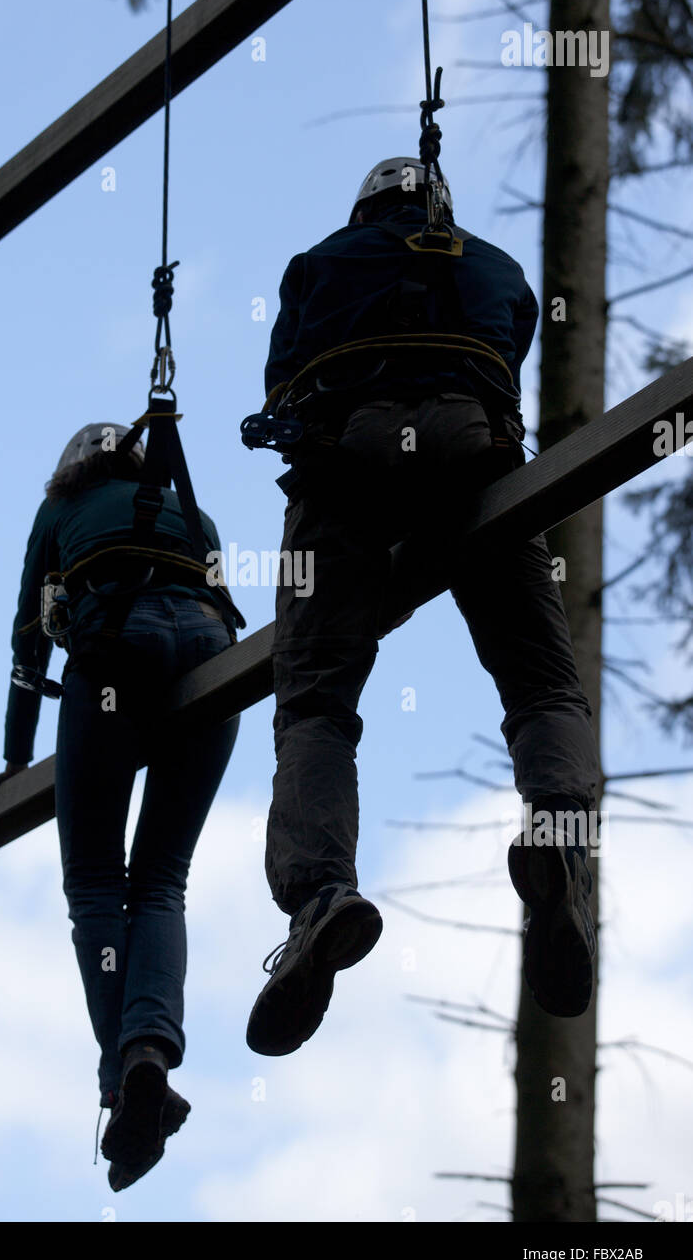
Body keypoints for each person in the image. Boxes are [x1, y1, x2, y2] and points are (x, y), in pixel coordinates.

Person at [246, 158, 600, 1058]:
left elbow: (280, 376)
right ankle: (557, 830)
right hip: (468, 448)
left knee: (317, 699)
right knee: (540, 679)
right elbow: (510, 346)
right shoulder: (494, 265)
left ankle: (321, 894)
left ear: (363, 204)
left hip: (347, 462)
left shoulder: (318, 261)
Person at [0, 422, 239, 1189]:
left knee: (95, 880)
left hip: (115, 649)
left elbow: (31, 639)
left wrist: (16, 758)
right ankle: (146, 1056)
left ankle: (127, 1080)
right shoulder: (194, 508)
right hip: (212, 656)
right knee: (161, 879)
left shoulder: (59, 513)